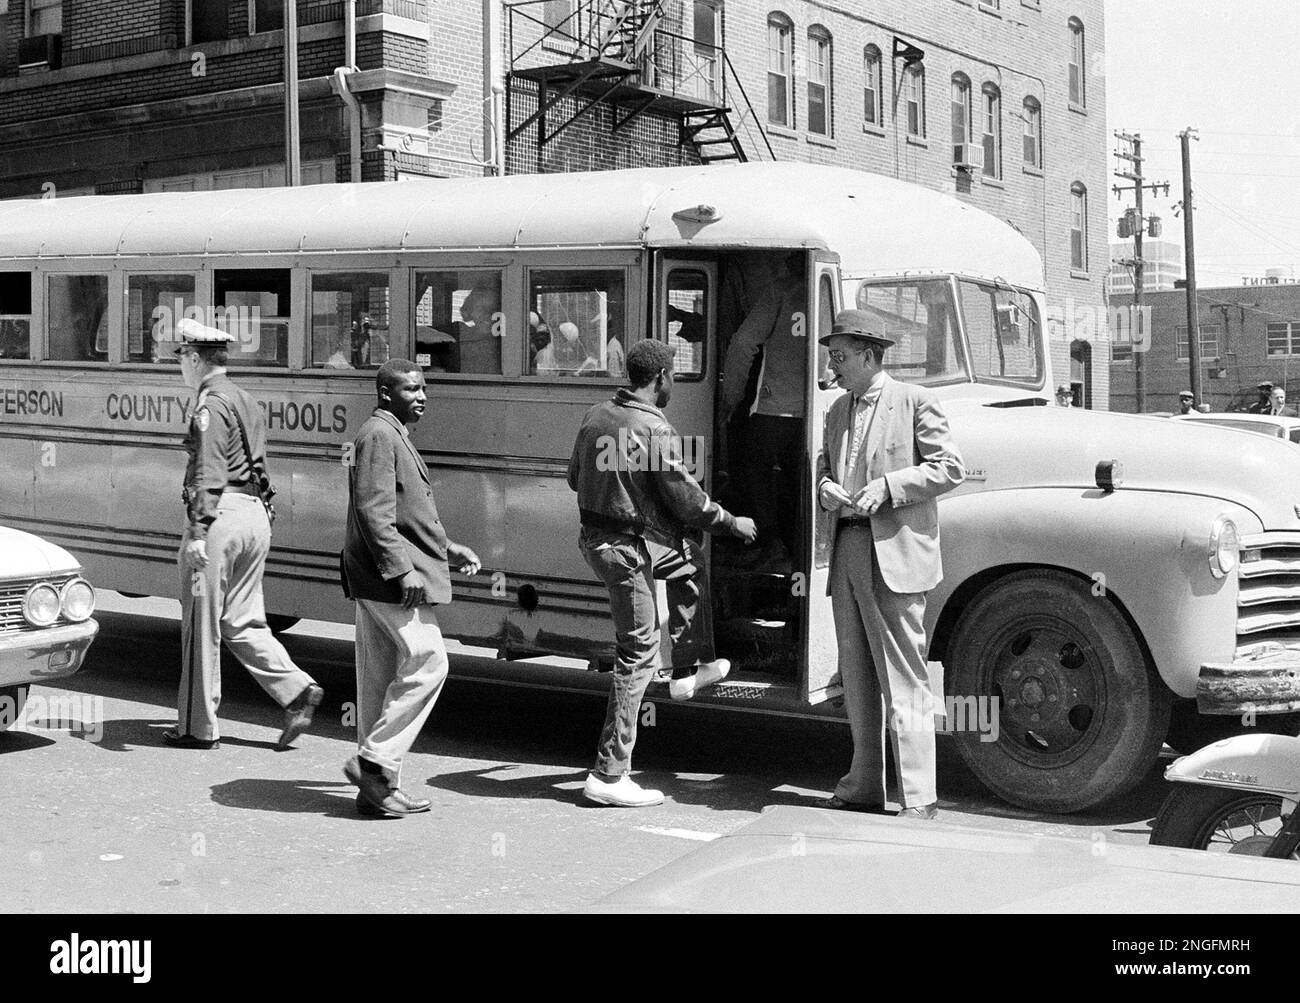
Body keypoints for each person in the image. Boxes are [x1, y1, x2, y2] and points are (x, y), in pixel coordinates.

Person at [569, 340, 758, 807]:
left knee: (688, 560)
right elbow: (687, 499)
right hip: (625, 550)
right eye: (674, 374)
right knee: (637, 654)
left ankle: (687, 671)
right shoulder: (654, 428)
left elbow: (575, 478)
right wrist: (733, 523)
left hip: (598, 540)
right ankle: (609, 775)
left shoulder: (596, 415)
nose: (673, 382)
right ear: (660, 378)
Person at [815, 309, 965, 820]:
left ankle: (920, 795)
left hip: (896, 552)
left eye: (839, 356)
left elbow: (950, 468)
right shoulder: (837, 410)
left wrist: (889, 487)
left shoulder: (916, 401)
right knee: (856, 676)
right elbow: (823, 464)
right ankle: (863, 786)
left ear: (866, 354)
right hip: (850, 547)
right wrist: (825, 488)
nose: (832, 365)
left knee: (904, 674)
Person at [167, 318, 323, 751]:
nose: (180, 366)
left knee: (201, 622)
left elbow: (209, 469)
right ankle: (297, 691)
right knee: (243, 619)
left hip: (220, 518)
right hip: (255, 514)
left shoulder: (209, 405)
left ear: (196, 359)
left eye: (182, 357)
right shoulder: (245, 399)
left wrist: (199, 530)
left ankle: (196, 728)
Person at [340, 359, 482, 816]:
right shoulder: (380, 435)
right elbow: (373, 512)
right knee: (429, 661)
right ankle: (374, 761)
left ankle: (378, 789)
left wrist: (447, 547)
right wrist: (403, 571)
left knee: (379, 680)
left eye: (423, 388)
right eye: (410, 389)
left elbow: (405, 512)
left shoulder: (390, 432)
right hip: (387, 579)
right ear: (385, 394)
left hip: (377, 575)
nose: (421, 396)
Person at [720, 251, 807, 573]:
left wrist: (732, 398)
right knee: (798, 483)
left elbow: (743, 343)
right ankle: (796, 549)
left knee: (747, 467)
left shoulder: (781, 290)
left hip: (772, 408)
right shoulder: (825, 294)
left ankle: (766, 545)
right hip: (810, 414)